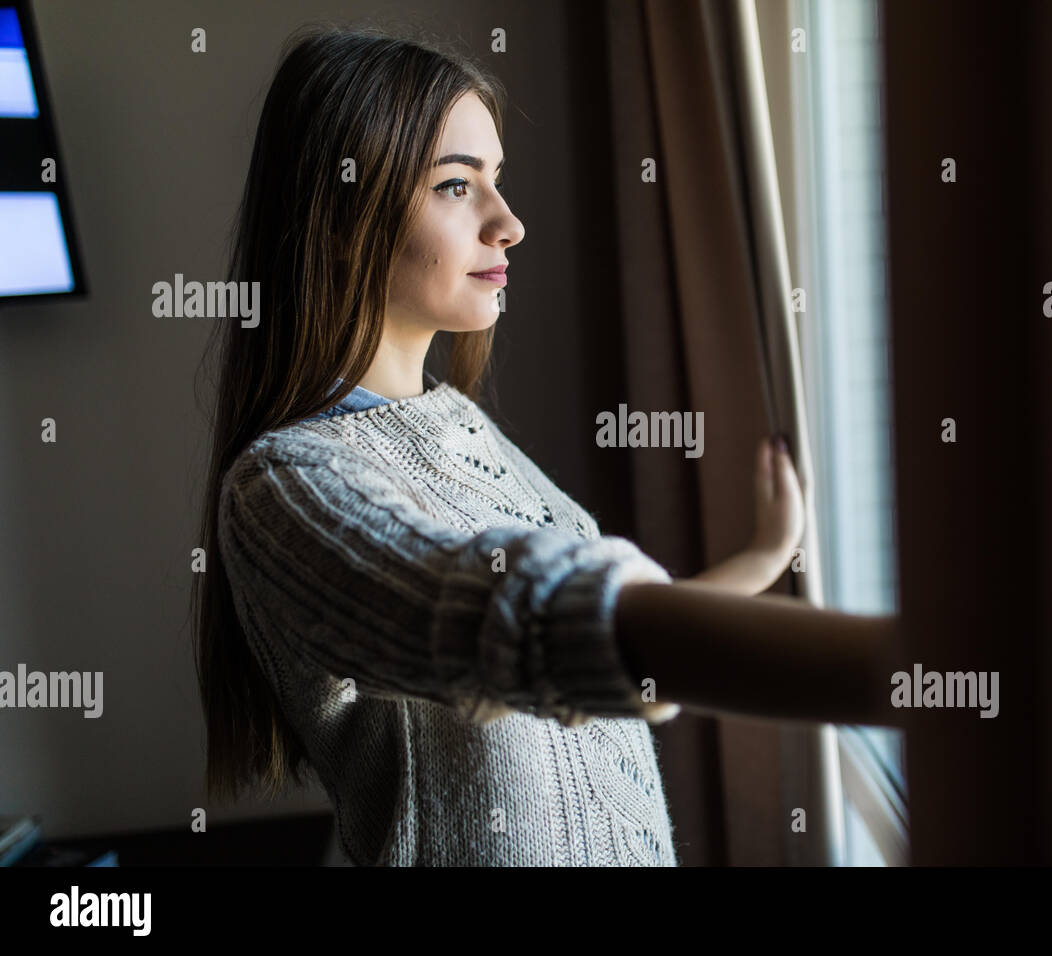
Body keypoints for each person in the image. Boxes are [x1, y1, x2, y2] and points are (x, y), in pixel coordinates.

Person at [192, 24, 898, 868]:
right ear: (341, 213)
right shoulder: (281, 490)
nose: (510, 223)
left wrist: (765, 554)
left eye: (497, 181)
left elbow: (593, 639)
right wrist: (920, 675)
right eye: (458, 186)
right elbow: (516, 624)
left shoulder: (454, 421)